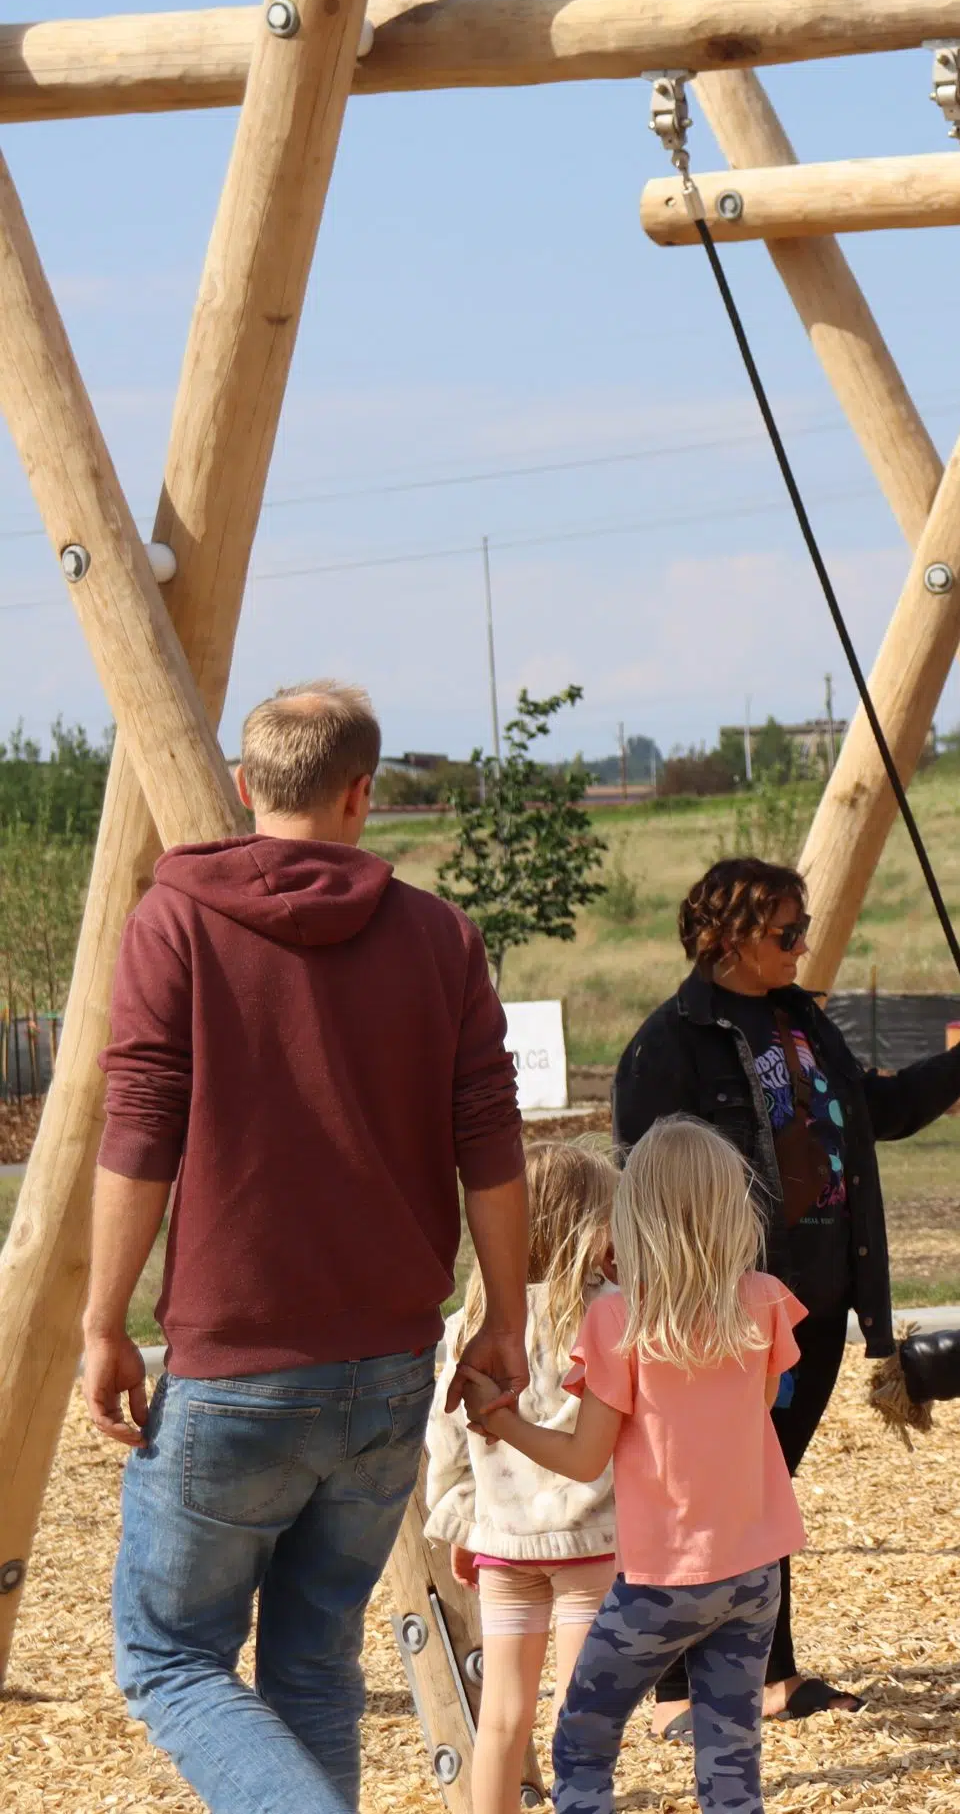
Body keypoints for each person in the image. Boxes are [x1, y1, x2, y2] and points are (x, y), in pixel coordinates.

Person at [84, 680, 530, 1814]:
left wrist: (103, 1322)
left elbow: (139, 1134)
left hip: (235, 1365)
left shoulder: (175, 919)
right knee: (312, 1665)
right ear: (360, 794)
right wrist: (508, 1318)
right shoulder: (438, 935)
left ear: (245, 789)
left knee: (171, 1658)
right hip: (385, 1368)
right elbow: (491, 1143)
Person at [613, 857, 960, 1728]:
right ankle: (709, 1681)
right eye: (785, 932)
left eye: (803, 927)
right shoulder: (666, 1046)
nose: (801, 944)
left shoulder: (804, 1026)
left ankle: (734, 1674)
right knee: (729, 1488)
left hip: (818, 1303)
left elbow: (878, 1111)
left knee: (762, 1485)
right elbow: (641, 1185)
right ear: (727, 939)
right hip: (727, 1310)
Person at [459, 1116, 806, 1814]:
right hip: (754, 1572)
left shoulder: (619, 1325)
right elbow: (762, 1402)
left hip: (661, 1583)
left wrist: (504, 1421)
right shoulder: (764, 1301)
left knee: (585, 1737)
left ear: (634, 1215)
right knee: (731, 1753)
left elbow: (585, 1459)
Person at [425, 1142, 622, 1814]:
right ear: (583, 1226)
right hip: (589, 1544)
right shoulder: (607, 1315)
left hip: (504, 1544)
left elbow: (445, 1440)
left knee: (503, 1714)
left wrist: (461, 1521)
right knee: (580, 1710)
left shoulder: (470, 1327)